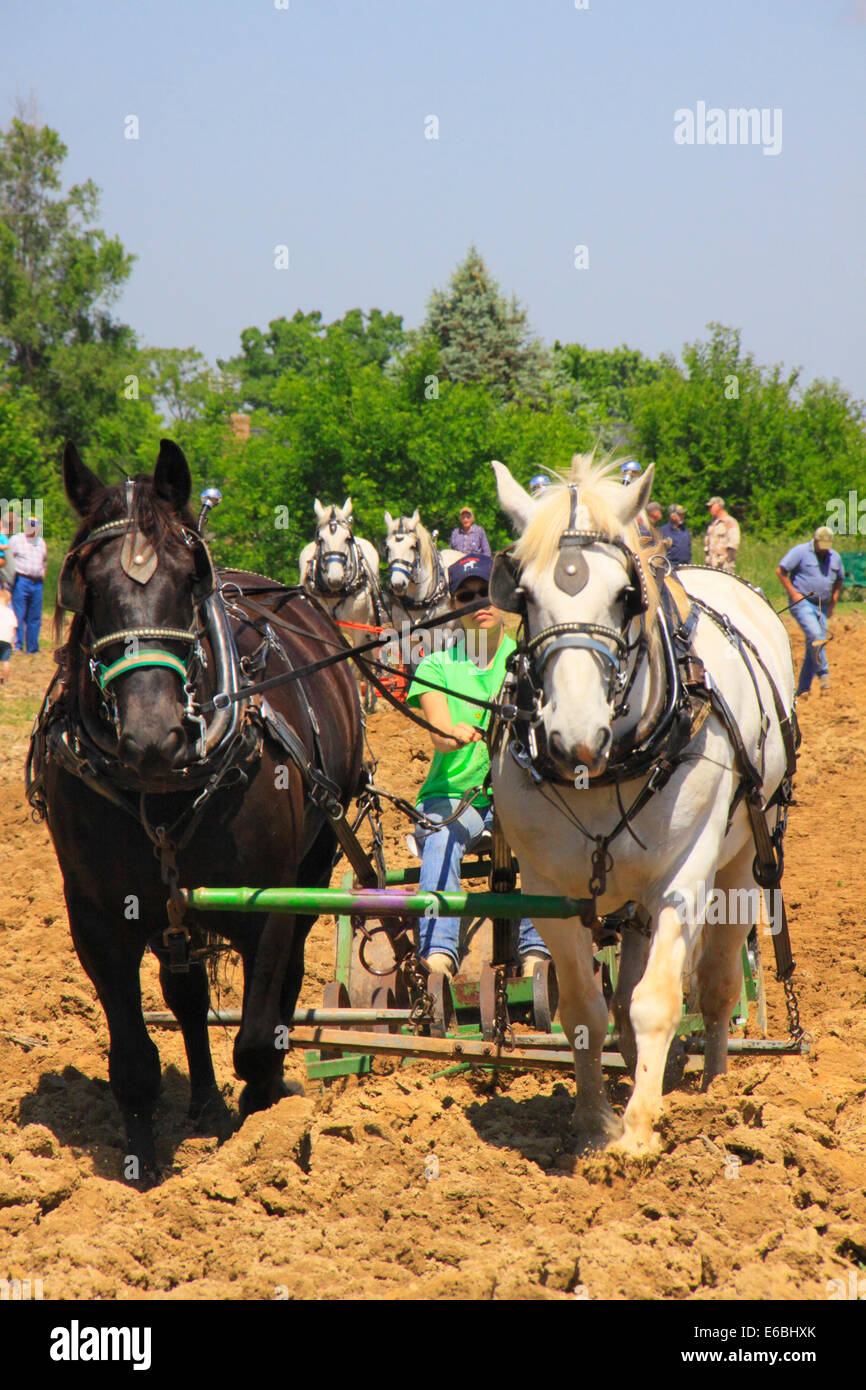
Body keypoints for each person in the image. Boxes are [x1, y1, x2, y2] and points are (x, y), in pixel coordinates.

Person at [405, 555, 549, 977]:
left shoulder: (530, 661)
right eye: (466, 596)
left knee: (546, 835)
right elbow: (439, 734)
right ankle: (438, 955)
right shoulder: (436, 665)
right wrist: (457, 733)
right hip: (454, 796)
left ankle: (537, 952)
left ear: (500, 597)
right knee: (440, 835)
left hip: (519, 793)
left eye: (486, 592)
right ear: (454, 605)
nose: (478, 603)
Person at [776, 526, 844, 697]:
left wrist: (833, 602)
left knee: (813, 645)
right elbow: (781, 570)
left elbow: (839, 580)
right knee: (816, 636)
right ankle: (824, 675)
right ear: (814, 541)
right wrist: (793, 593)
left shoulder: (834, 556)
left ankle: (803, 689)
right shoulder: (799, 552)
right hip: (802, 602)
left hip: (822, 604)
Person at [9, 514, 48, 653]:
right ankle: (18, 646)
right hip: (21, 581)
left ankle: (32, 648)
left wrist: (43, 574)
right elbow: (8, 558)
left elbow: (44, 561)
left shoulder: (41, 542)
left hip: (37, 583)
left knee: (35, 617)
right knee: (19, 614)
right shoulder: (17, 540)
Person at [704, 496, 740, 573]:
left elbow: (733, 544)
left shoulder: (729, 522)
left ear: (719, 506)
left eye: (711, 506)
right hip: (711, 565)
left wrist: (727, 561)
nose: (710, 509)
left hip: (724, 565)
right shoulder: (712, 523)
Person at [0, 587, 16, 683]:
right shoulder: (10, 612)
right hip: (7, 640)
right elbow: (13, 628)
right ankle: (5, 680)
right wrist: (13, 642)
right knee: (6, 661)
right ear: (8, 602)